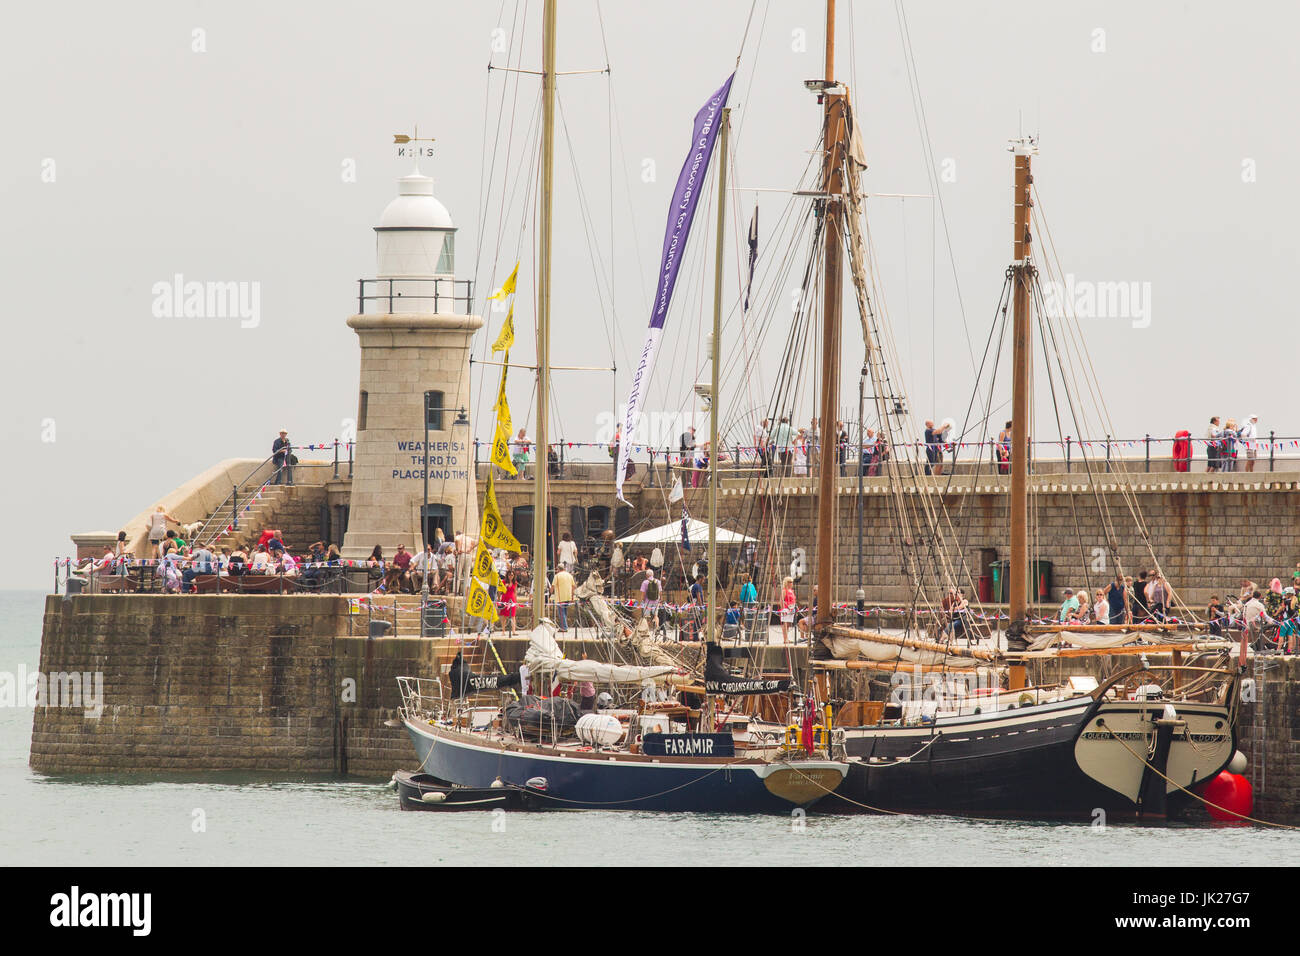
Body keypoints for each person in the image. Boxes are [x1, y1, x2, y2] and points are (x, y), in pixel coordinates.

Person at [553, 564, 575, 632]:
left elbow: (553, 586)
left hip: (560, 598)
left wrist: (550, 593)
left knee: (561, 613)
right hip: (568, 597)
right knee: (564, 612)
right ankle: (564, 626)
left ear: (558, 569)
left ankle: (564, 627)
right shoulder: (570, 575)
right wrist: (572, 597)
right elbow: (573, 586)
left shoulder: (557, 576)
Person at [779, 576, 797, 644]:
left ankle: (787, 638)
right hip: (786, 609)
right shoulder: (784, 590)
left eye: (792, 582)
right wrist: (783, 609)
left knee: (789, 624)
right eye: (790, 582)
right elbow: (781, 600)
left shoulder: (791, 591)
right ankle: (785, 638)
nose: (791, 583)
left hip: (791, 609)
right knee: (785, 624)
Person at [500, 571, 518, 635]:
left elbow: (515, 592)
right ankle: (503, 631)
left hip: (512, 600)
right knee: (504, 616)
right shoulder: (504, 582)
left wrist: (516, 601)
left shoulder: (515, 583)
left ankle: (513, 631)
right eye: (510, 575)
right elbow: (501, 591)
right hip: (505, 599)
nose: (511, 576)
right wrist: (505, 586)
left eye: (512, 575)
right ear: (507, 575)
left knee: (513, 616)